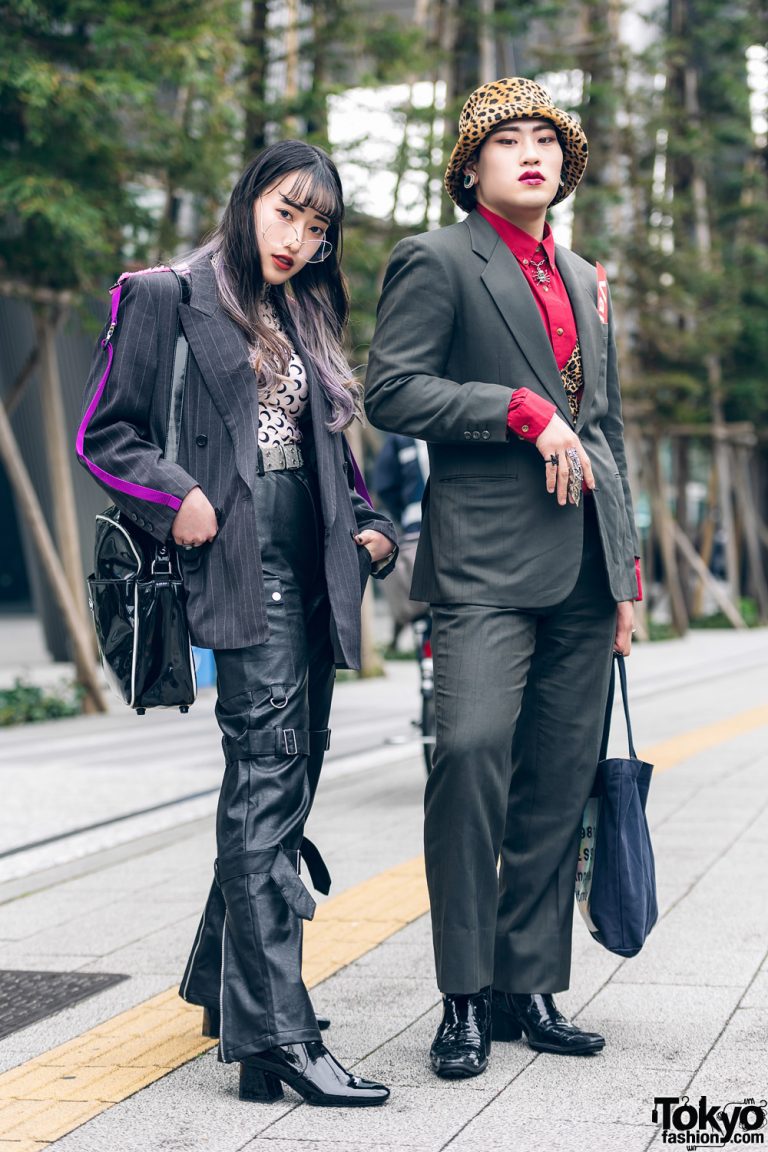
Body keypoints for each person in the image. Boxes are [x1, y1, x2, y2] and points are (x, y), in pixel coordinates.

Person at [77, 140, 397, 1107]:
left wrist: (371, 522)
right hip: (237, 558)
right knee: (266, 776)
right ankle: (277, 1036)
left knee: (289, 776)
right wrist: (176, 496)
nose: (299, 237)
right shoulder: (166, 292)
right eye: (286, 211)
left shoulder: (301, 305)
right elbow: (107, 431)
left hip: (316, 559)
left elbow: (321, 440)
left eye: (318, 224)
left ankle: (235, 998)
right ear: (249, 196)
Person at [365, 77, 641, 1079]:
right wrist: (521, 409)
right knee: (472, 755)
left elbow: (605, 427)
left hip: (580, 571)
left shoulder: (584, 274)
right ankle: (463, 999)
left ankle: (529, 988)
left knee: (559, 783)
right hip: (481, 565)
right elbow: (392, 390)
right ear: (470, 168)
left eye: (547, 141)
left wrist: (625, 574)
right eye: (508, 140)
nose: (532, 153)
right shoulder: (436, 260)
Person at [372, 433, 429, 649]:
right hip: (454, 531)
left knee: (423, 608)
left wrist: (403, 512)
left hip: (417, 533)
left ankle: (427, 668)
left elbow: (385, 485)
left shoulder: (402, 435)